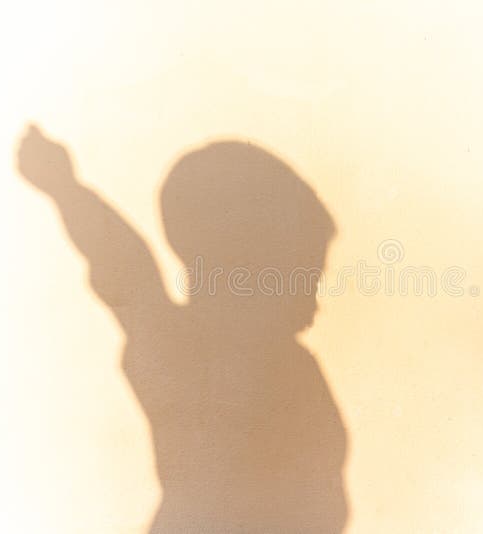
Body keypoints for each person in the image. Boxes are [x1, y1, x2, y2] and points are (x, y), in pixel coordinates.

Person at [17, 124, 348, 533]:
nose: (313, 304)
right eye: (303, 277)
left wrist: (67, 190)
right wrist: (67, 191)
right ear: (243, 268)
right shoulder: (191, 355)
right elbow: (127, 264)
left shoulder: (289, 368)